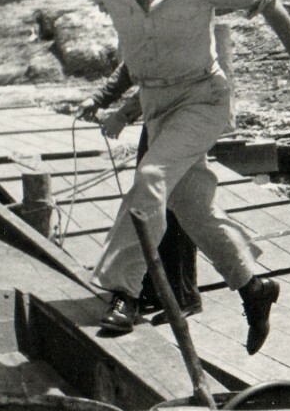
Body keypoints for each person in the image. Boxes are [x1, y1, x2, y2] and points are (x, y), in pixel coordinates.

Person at [0, 0, 290, 353]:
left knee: (151, 176)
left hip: (203, 98)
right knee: (190, 206)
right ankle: (254, 287)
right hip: (156, 104)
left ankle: (125, 292)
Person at [80, 61, 201, 317]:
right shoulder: (143, 34)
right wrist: (99, 98)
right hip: (157, 118)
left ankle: (183, 295)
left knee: (174, 203)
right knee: (152, 202)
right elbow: (133, 63)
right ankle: (155, 290)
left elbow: (164, 78)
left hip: (185, 116)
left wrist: (123, 115)